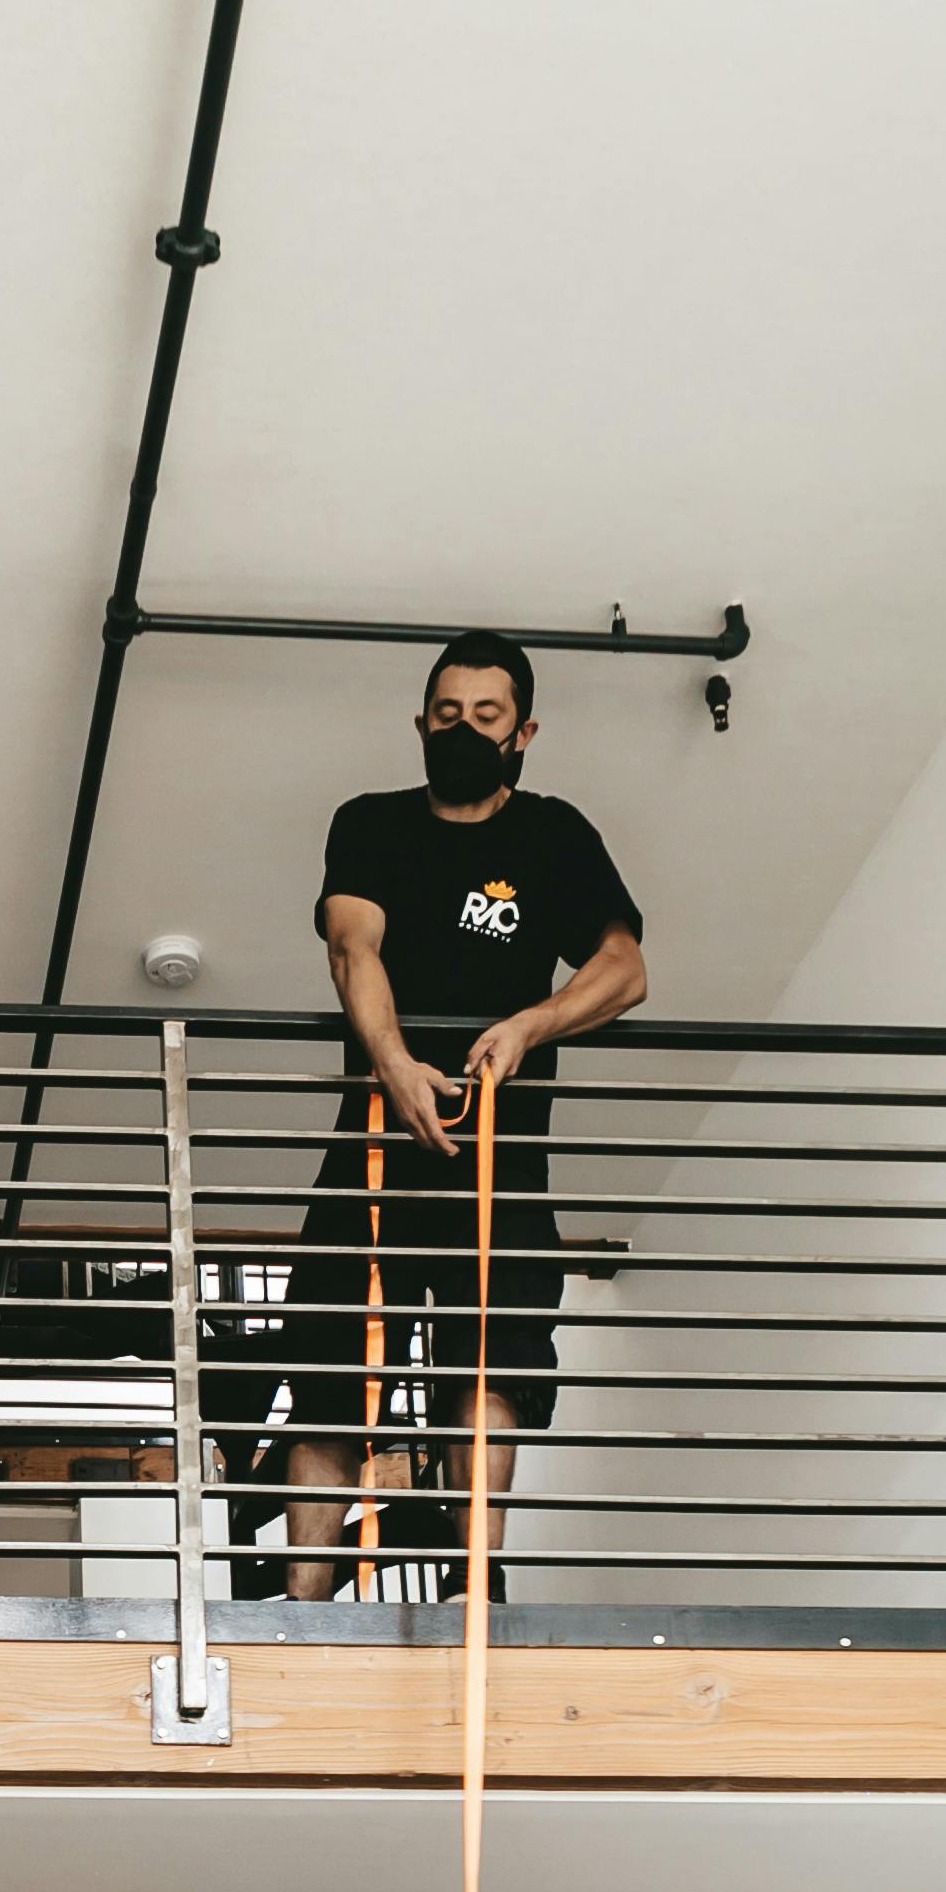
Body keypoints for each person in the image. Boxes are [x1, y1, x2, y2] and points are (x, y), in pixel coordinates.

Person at [234, 634, 645, 1599]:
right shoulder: (372, 824)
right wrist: (395, 1066)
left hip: (498, 1161)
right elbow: (353, 947)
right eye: (447, 715)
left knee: (487, 1374)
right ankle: (304, 1606)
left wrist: (531, 1026)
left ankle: (472, 1589)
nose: (463, 731)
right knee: (332, 1376)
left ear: (525, 732)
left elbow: (624, 968)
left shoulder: (554, 836)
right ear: (422, 723)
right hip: (374, 1150)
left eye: (487, 717)